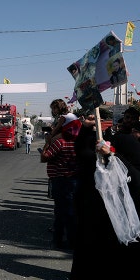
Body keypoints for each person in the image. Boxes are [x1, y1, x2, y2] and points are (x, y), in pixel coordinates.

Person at [70, 114, 140, 279]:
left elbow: (132, 177)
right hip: (94, 224)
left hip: (118, 228)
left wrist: (111, 157)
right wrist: (86, 129)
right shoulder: (97, 170)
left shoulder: (127, 162)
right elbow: (83, 154)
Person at [40, 115, 81, 249]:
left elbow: (45, 157)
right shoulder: (80, 142)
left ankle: (58, 240)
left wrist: (48, 142)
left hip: (61, 180)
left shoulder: (60, 142)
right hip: (75, 180)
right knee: (72, 211)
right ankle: (72, 239)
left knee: (60, 211)